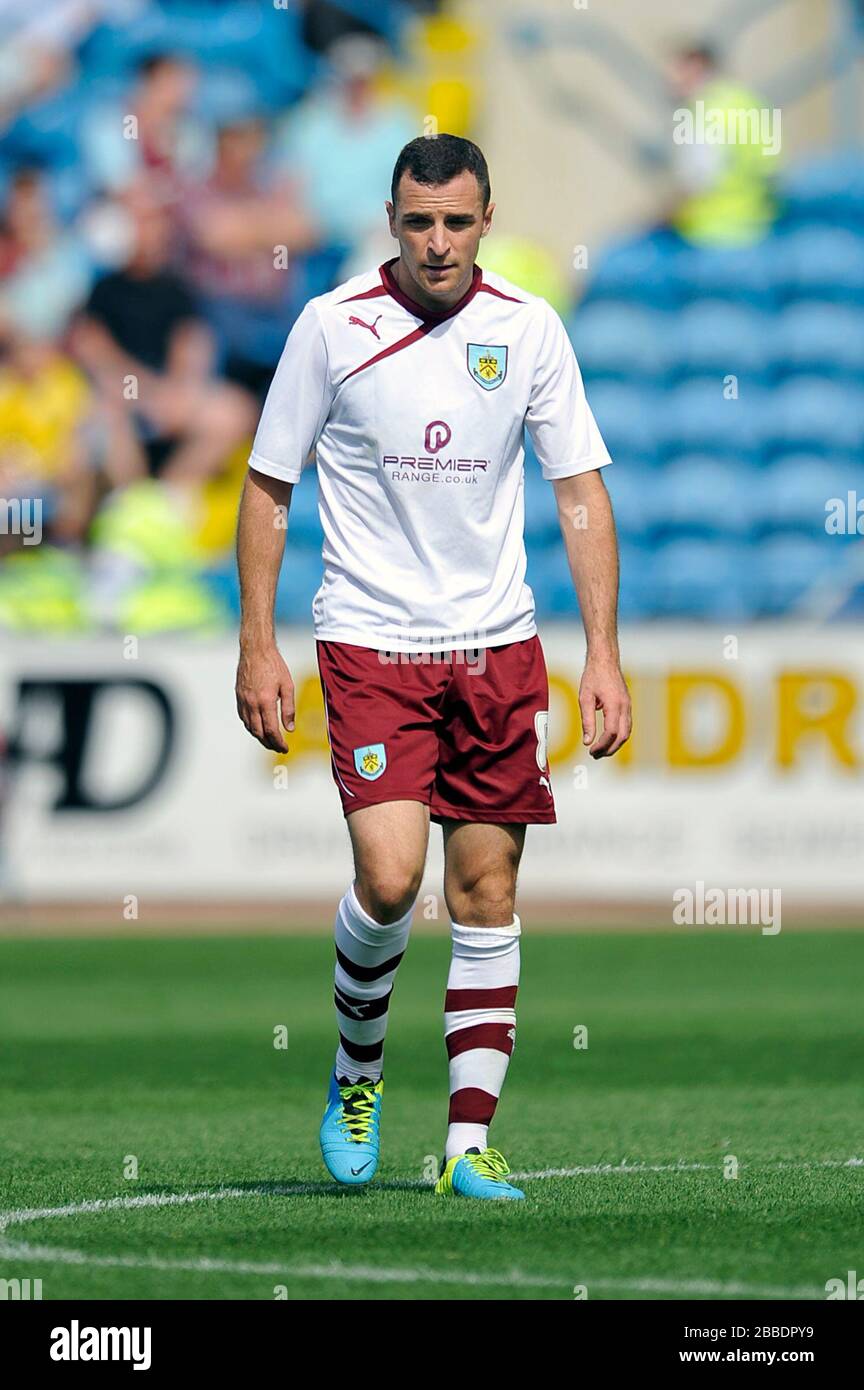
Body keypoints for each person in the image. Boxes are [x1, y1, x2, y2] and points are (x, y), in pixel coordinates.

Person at [234, 134, 631, 1200]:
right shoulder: (331, 327)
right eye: (419, 221)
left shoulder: (528, 329)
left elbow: (580, 490)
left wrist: (602, 652)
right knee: (392, 877)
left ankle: (466, 1144)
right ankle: (356, 1071)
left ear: (487, 218)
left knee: (486, 887)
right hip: (372, 642)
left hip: (497, 647)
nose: (439, 241)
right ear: (391, 218)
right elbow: (269, 485)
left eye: (457, 221)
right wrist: (258, 642)